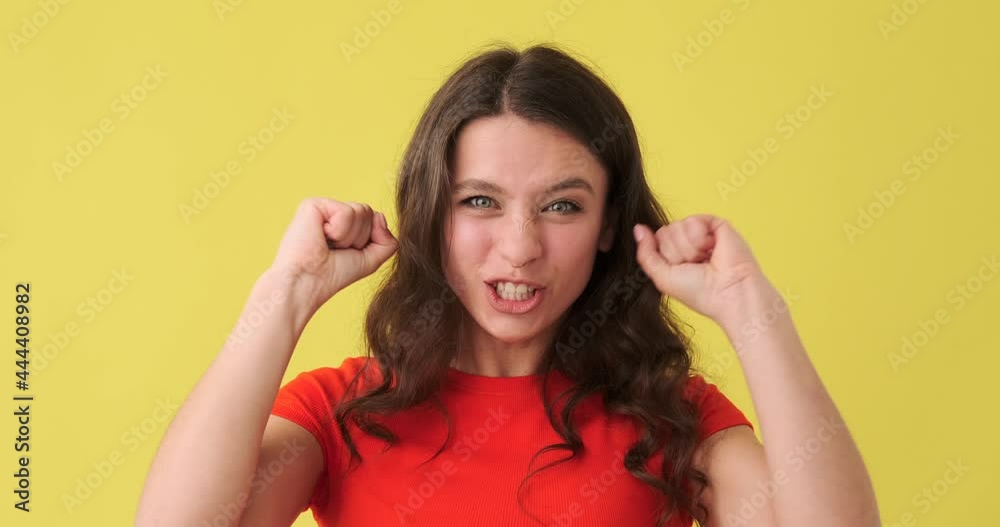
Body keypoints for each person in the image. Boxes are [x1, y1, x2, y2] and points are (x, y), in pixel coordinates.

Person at [136, 44, 879, 526]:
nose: (520, 248)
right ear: (434, 214)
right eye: (480, 201)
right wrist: (287, 293)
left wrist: (756, 311)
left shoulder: (670, 418)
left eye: (562, 205)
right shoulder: (344, 411)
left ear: (609, 224)